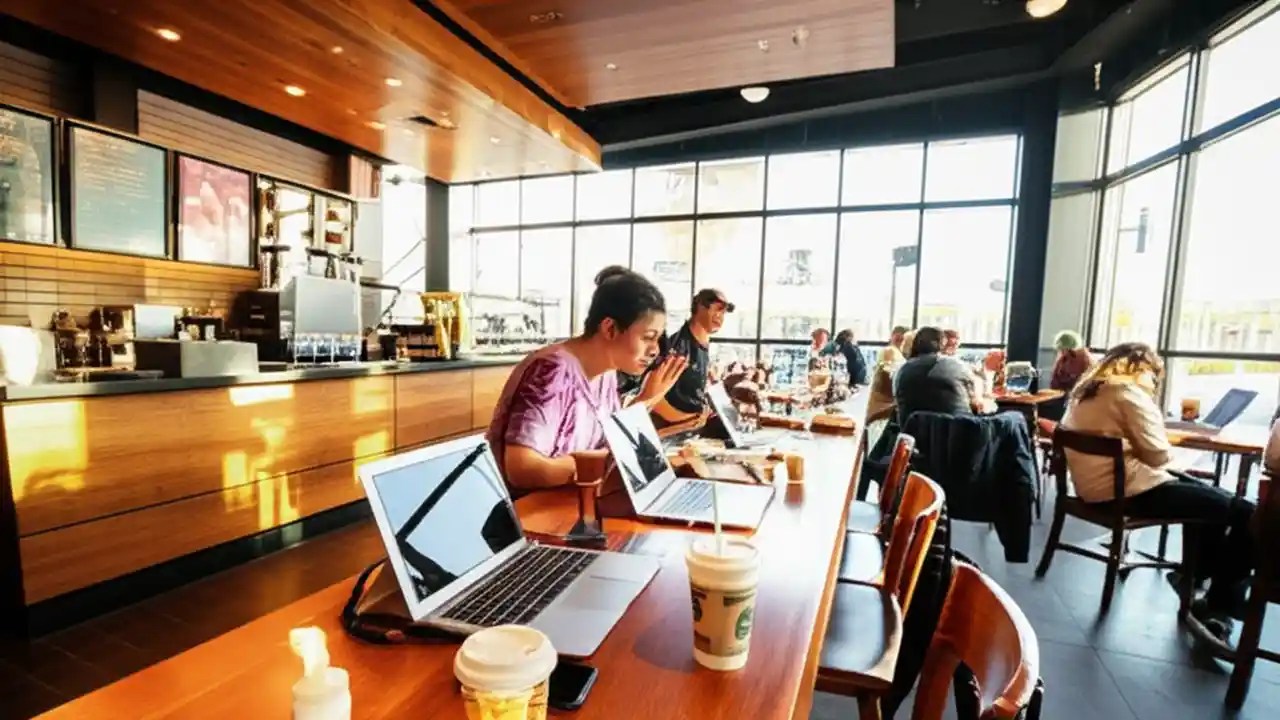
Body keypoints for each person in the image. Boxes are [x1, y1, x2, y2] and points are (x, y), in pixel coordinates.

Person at [1060, 342, 1255, 639]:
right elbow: (1157, 455)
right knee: (1245, 511)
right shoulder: (1127, 392)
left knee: (1213, 502)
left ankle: (1194, 576)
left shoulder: (1085, 392)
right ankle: (1219, 606)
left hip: (1098, 489)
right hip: (1133, 492)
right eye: (1154, 375)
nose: (1154, 383)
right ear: (1143, 368)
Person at [487, 266, 687, 492]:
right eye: (648, 337)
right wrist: (597, 467)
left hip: (572, 501)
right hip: (524, 512)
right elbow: (522, 468)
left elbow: (605, 445)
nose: (654, 350)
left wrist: (647, 400)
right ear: (610, 328)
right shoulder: (552, 371)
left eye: (658, 338)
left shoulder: (607, 372)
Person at [648, 288, 734, 428]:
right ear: (700, 306)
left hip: (693, 428)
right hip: (673, 432)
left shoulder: (701, 346)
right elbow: (654, 399)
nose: (721, 317)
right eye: (718, 309)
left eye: (723, 312)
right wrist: (683, 419)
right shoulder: (678, 349)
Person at [892, 327, 987, 426]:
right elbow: (976, 405)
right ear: (942, 344)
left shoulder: (900, 371)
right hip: (956, 434)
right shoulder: (958, 366)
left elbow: (898, 405)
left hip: (914, 435)